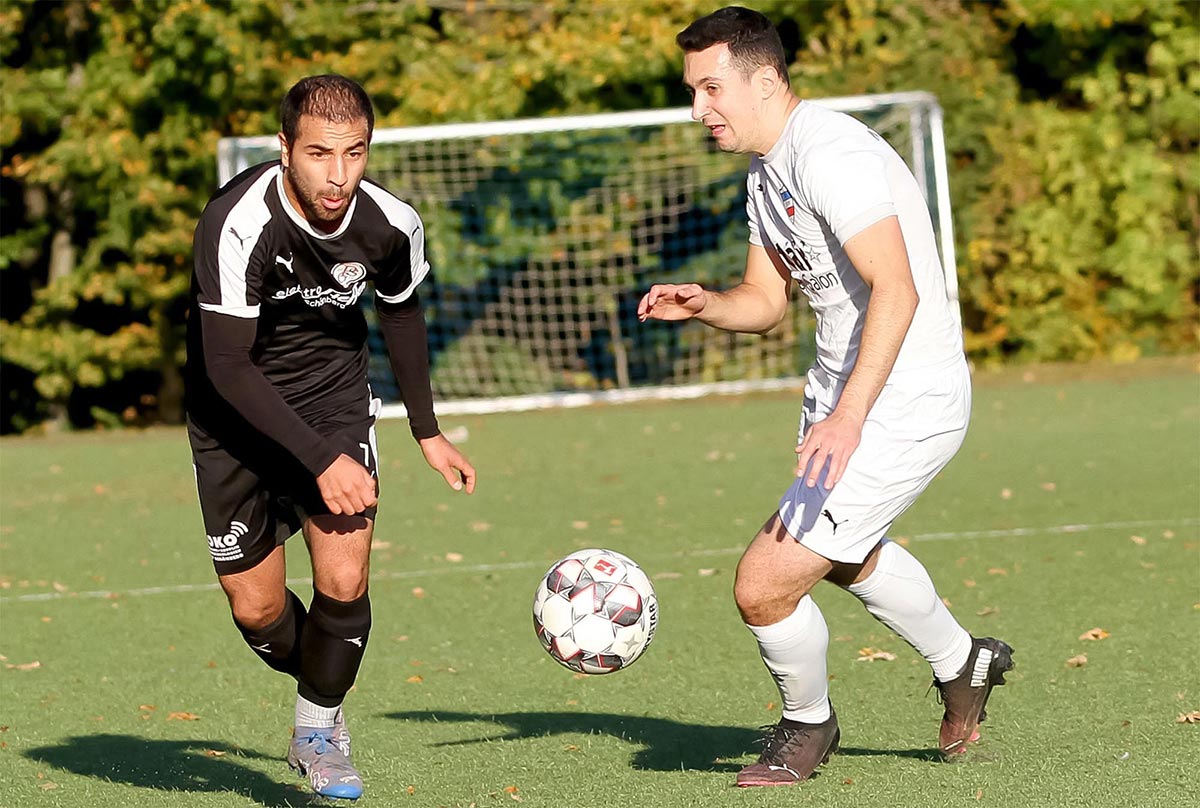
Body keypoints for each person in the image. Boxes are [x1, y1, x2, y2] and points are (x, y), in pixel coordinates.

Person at [638, 7, 1013, 787]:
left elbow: (897, 288)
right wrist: (707, 303)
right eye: (693, 90)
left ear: (765, 79)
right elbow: (764, 301)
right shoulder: (766, 171)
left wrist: (848, 417)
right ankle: (963, 661)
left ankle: (807, 726)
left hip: (902, 401)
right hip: (847, 398)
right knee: (842, 557)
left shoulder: (831, 153)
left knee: (763, 584)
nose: (699, 108)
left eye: (711, 88)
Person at [185, 74, 476, 801]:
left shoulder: (391, 223)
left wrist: (427, 430)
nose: (338, 174)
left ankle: (317, 729)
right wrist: (317, 462)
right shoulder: (235, 222)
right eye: (319, 154)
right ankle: (324, 673)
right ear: (285, 148)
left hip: (333, 402)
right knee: (256, 609)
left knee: (343, 580)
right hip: (232, 415)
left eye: (354, 152)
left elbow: (401, 313)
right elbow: (227, 366)